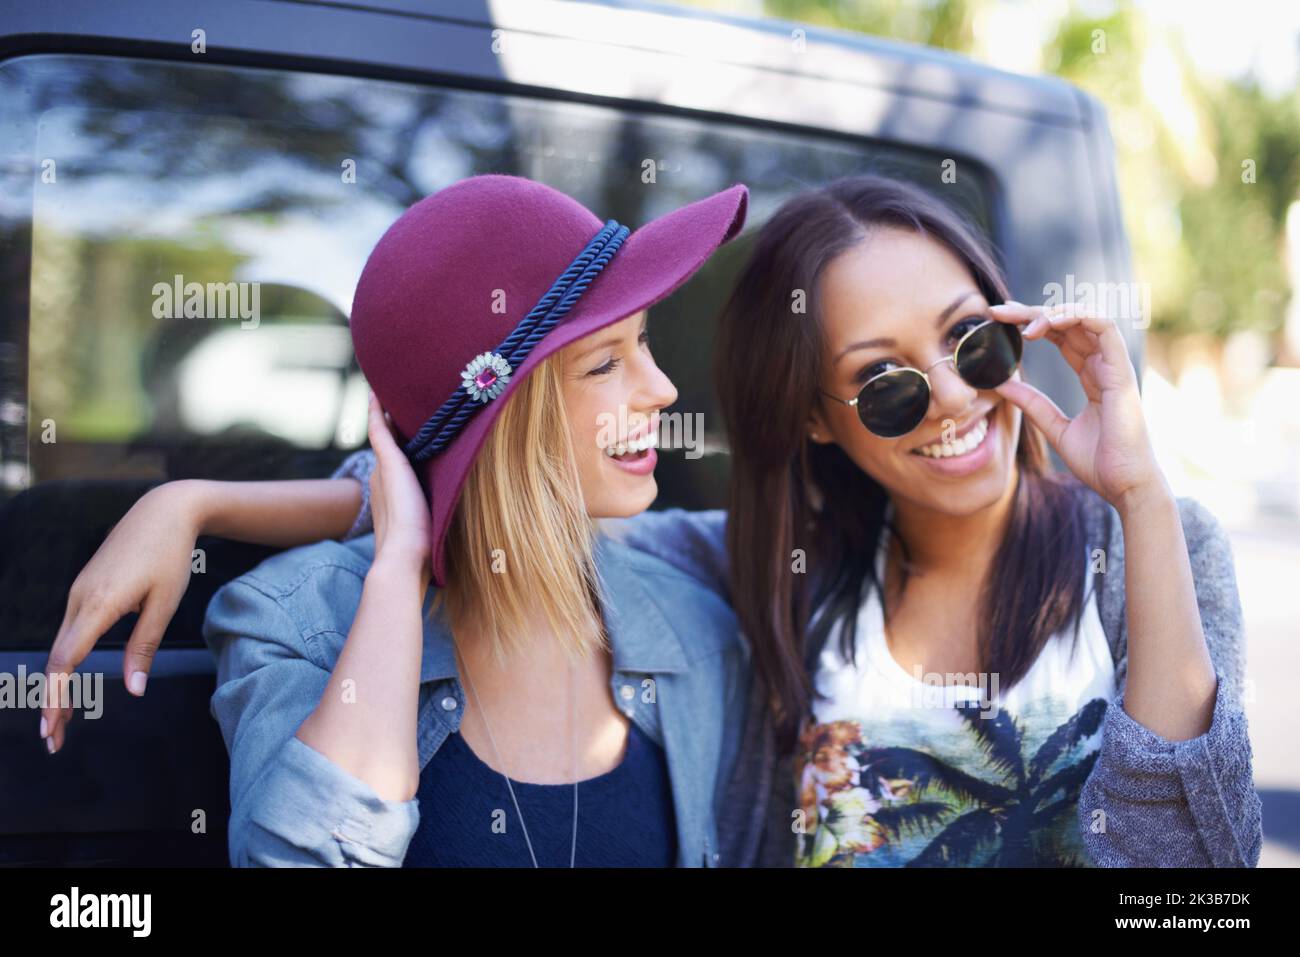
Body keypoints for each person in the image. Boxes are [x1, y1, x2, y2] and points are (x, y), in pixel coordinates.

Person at [44, 174, 1261, 868]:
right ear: (822, 424)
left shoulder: (1140, 555)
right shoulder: (755, 578)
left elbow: (1192, 873)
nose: (951, 399)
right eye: (885, 383)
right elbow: (457, 504)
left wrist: (1140, 496)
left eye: (976, 341)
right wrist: (195, 502)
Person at [45, 173, 752, 867]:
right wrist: (397, 570)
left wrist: (197, 501)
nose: (662, 389)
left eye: (645, 341)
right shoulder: (294, 621)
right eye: (605, 364)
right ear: (503, 418)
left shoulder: (695, 617)